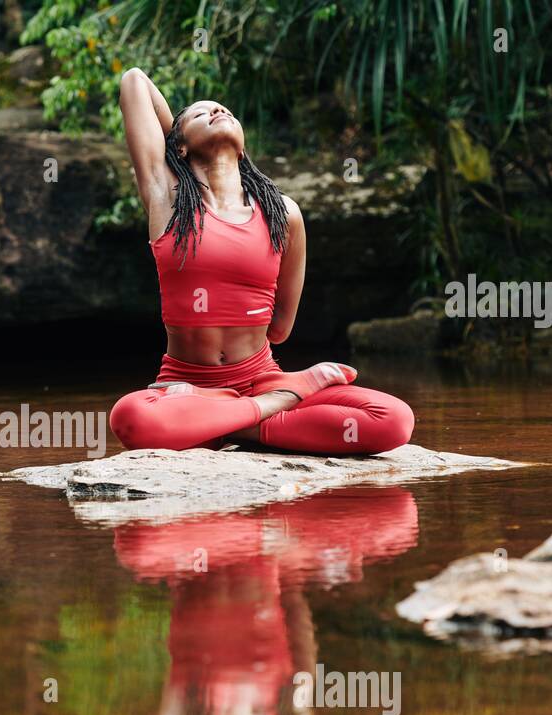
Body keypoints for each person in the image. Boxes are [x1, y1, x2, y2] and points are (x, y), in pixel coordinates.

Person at [109, 68, 415, 454]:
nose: (218, 109)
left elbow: (279, 330)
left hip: (259, 376)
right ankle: (266, 412)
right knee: (129, 417)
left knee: (393, 418)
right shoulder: (166, 198)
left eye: (223, 110)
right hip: (187, 382)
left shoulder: (283, 215)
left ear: (243, 147)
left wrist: (198, 125)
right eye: (202, 113)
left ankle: (221, 426)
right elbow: (134, 81)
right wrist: (177, 148)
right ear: (180, 148)